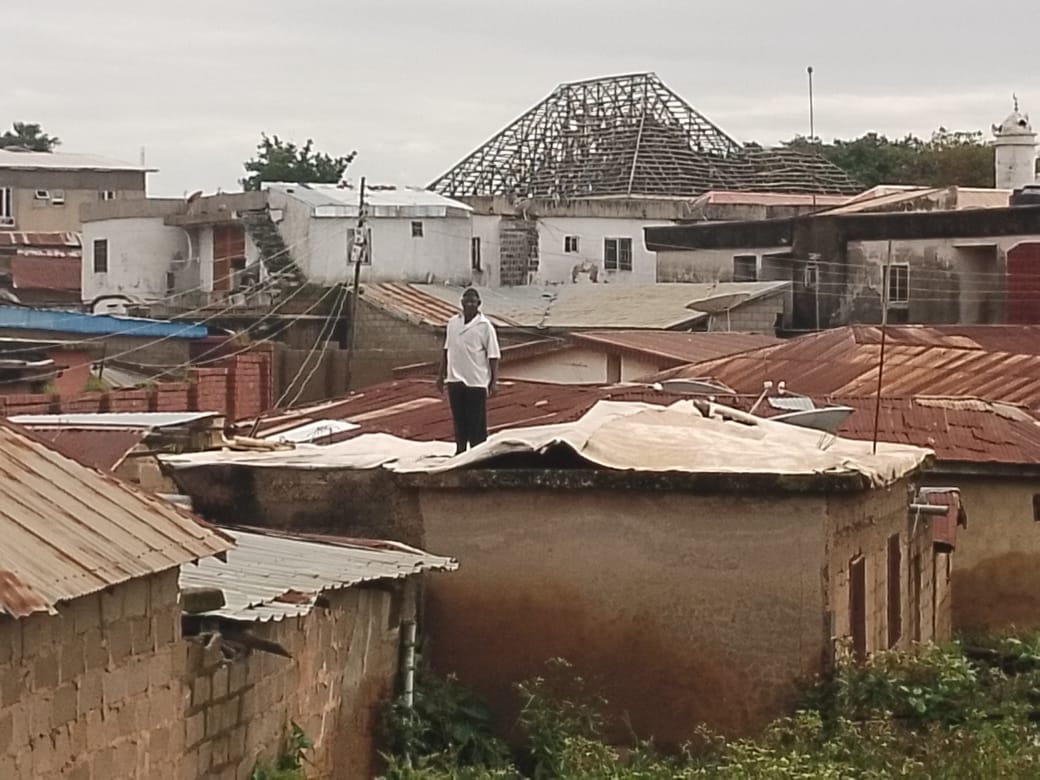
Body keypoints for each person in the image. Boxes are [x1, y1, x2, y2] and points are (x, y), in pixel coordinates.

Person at [436, 288, 500, 454]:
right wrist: (440, 375)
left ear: (479, 304)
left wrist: (494, 381)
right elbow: (446, 350)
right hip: (454, 379)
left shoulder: (485, 326)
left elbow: (493, 356)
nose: (469, 305)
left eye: (473, 302)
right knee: (459, 420)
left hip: (476, 381)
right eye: (467, 301)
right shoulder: (453, 323)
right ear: (462, 303)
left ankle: (478, 453)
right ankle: (460, 450)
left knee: (476, 422)